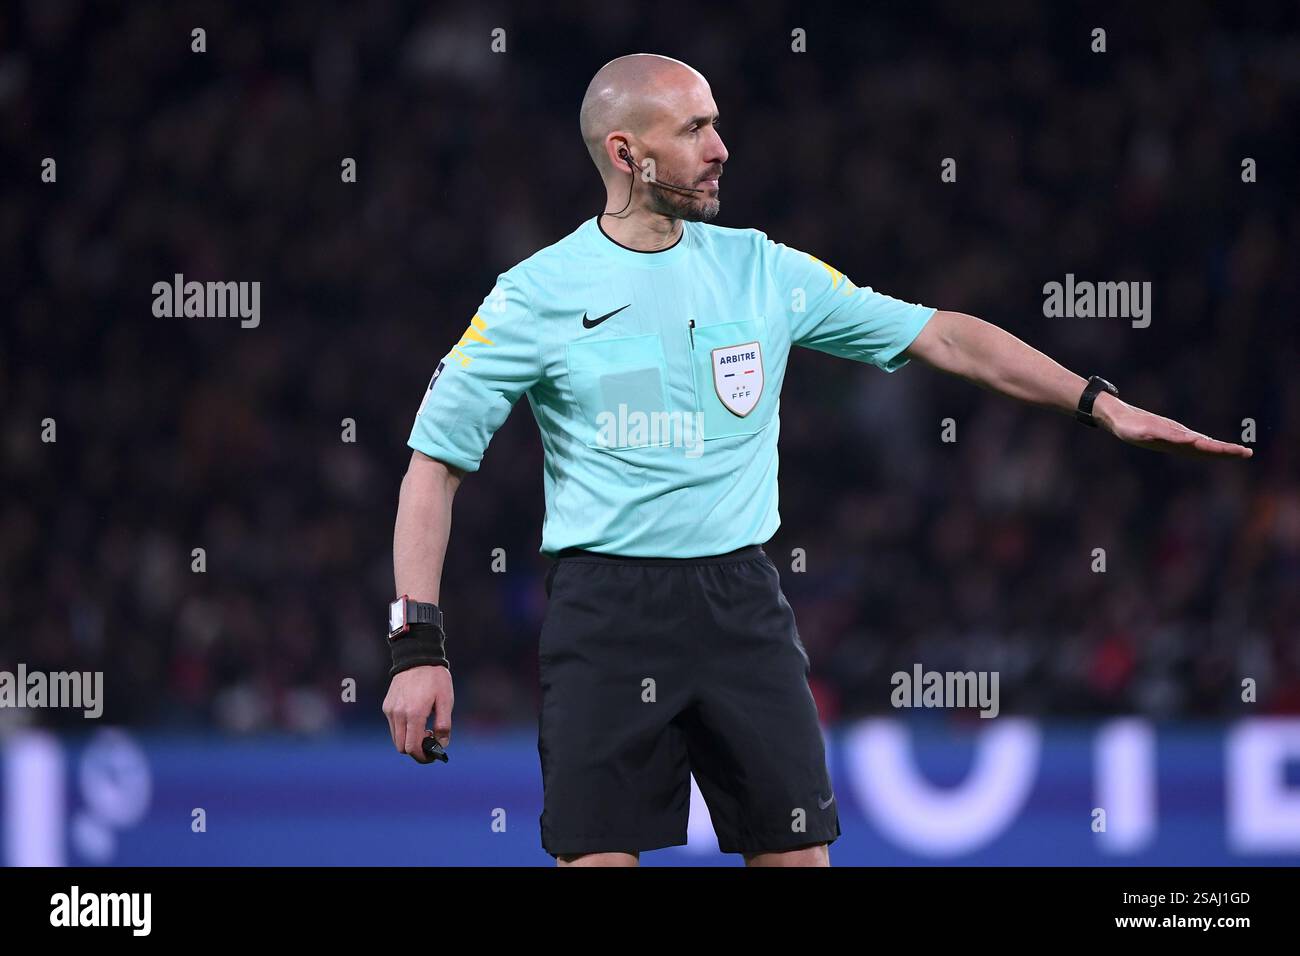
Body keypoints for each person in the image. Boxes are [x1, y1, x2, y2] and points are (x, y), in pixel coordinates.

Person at [381, 53, 1252, 868]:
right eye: (693, 130)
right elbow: (435, 465)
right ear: (626, 152)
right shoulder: (535, 294)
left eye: (716, 122)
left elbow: (942, 334)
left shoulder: (761, 268)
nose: (721, 148)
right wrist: (417, 645)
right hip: (605, 614)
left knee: (798, 857)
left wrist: (1099, 403)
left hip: (742, 605)